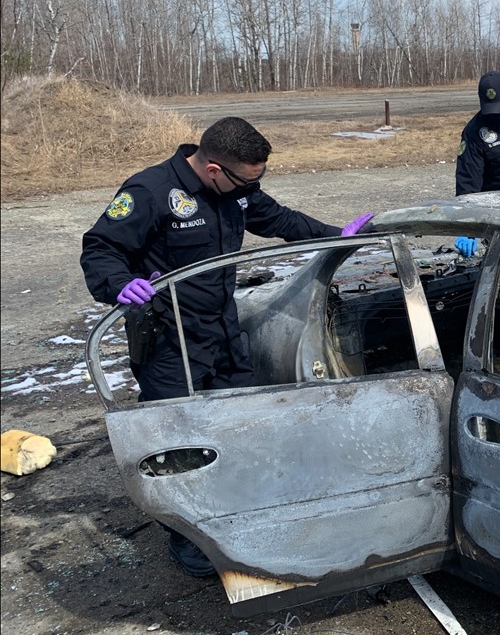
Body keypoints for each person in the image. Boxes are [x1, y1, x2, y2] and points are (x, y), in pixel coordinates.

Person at [80, 116, 373, 577]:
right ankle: (189, 538)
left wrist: (335, 236)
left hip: (222, 331)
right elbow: (99, 248)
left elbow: (279, 219)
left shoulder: (234, 189)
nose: (251, 190)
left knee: (238, 426)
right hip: (168, 341)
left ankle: (238, 516)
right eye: (246, 180)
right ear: (214, 168)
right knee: (179, 442)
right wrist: (119, 283)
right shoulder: (150, 193)